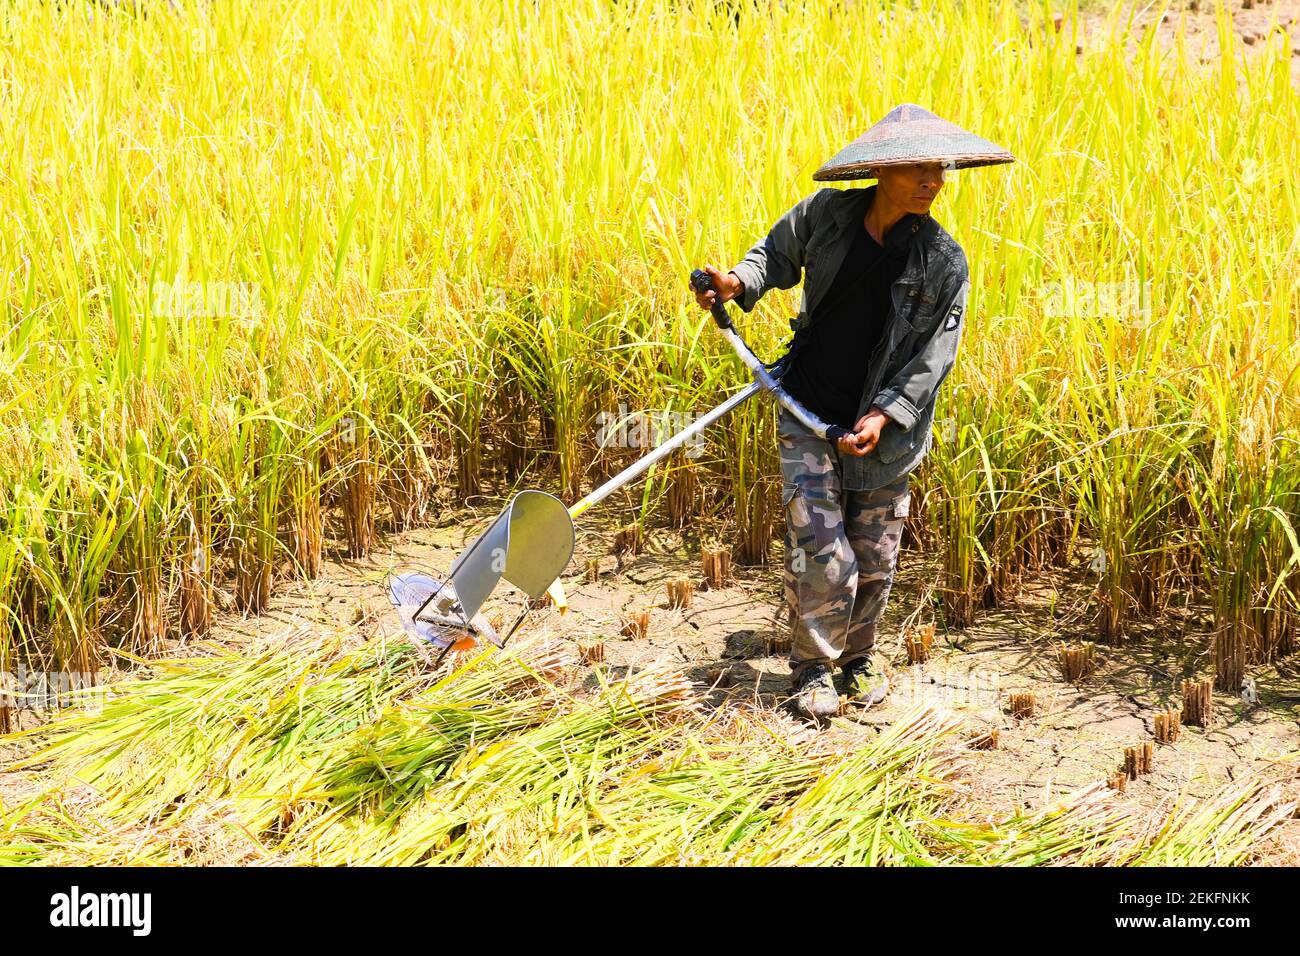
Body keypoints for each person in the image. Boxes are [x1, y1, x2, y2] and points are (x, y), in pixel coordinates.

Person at [692, 104, 1014, 719]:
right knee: (822, 548)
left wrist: (886, 416)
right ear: (882, 172)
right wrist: (735, 282)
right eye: (917, 168)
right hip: (808, 407)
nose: (932, 181)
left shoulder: (944, 262)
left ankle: (858, 660)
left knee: (873, 552)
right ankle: (813, 667)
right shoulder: (828, 217)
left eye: (938, 170)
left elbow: (933, 356)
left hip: (887, 433)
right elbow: (773, 257)